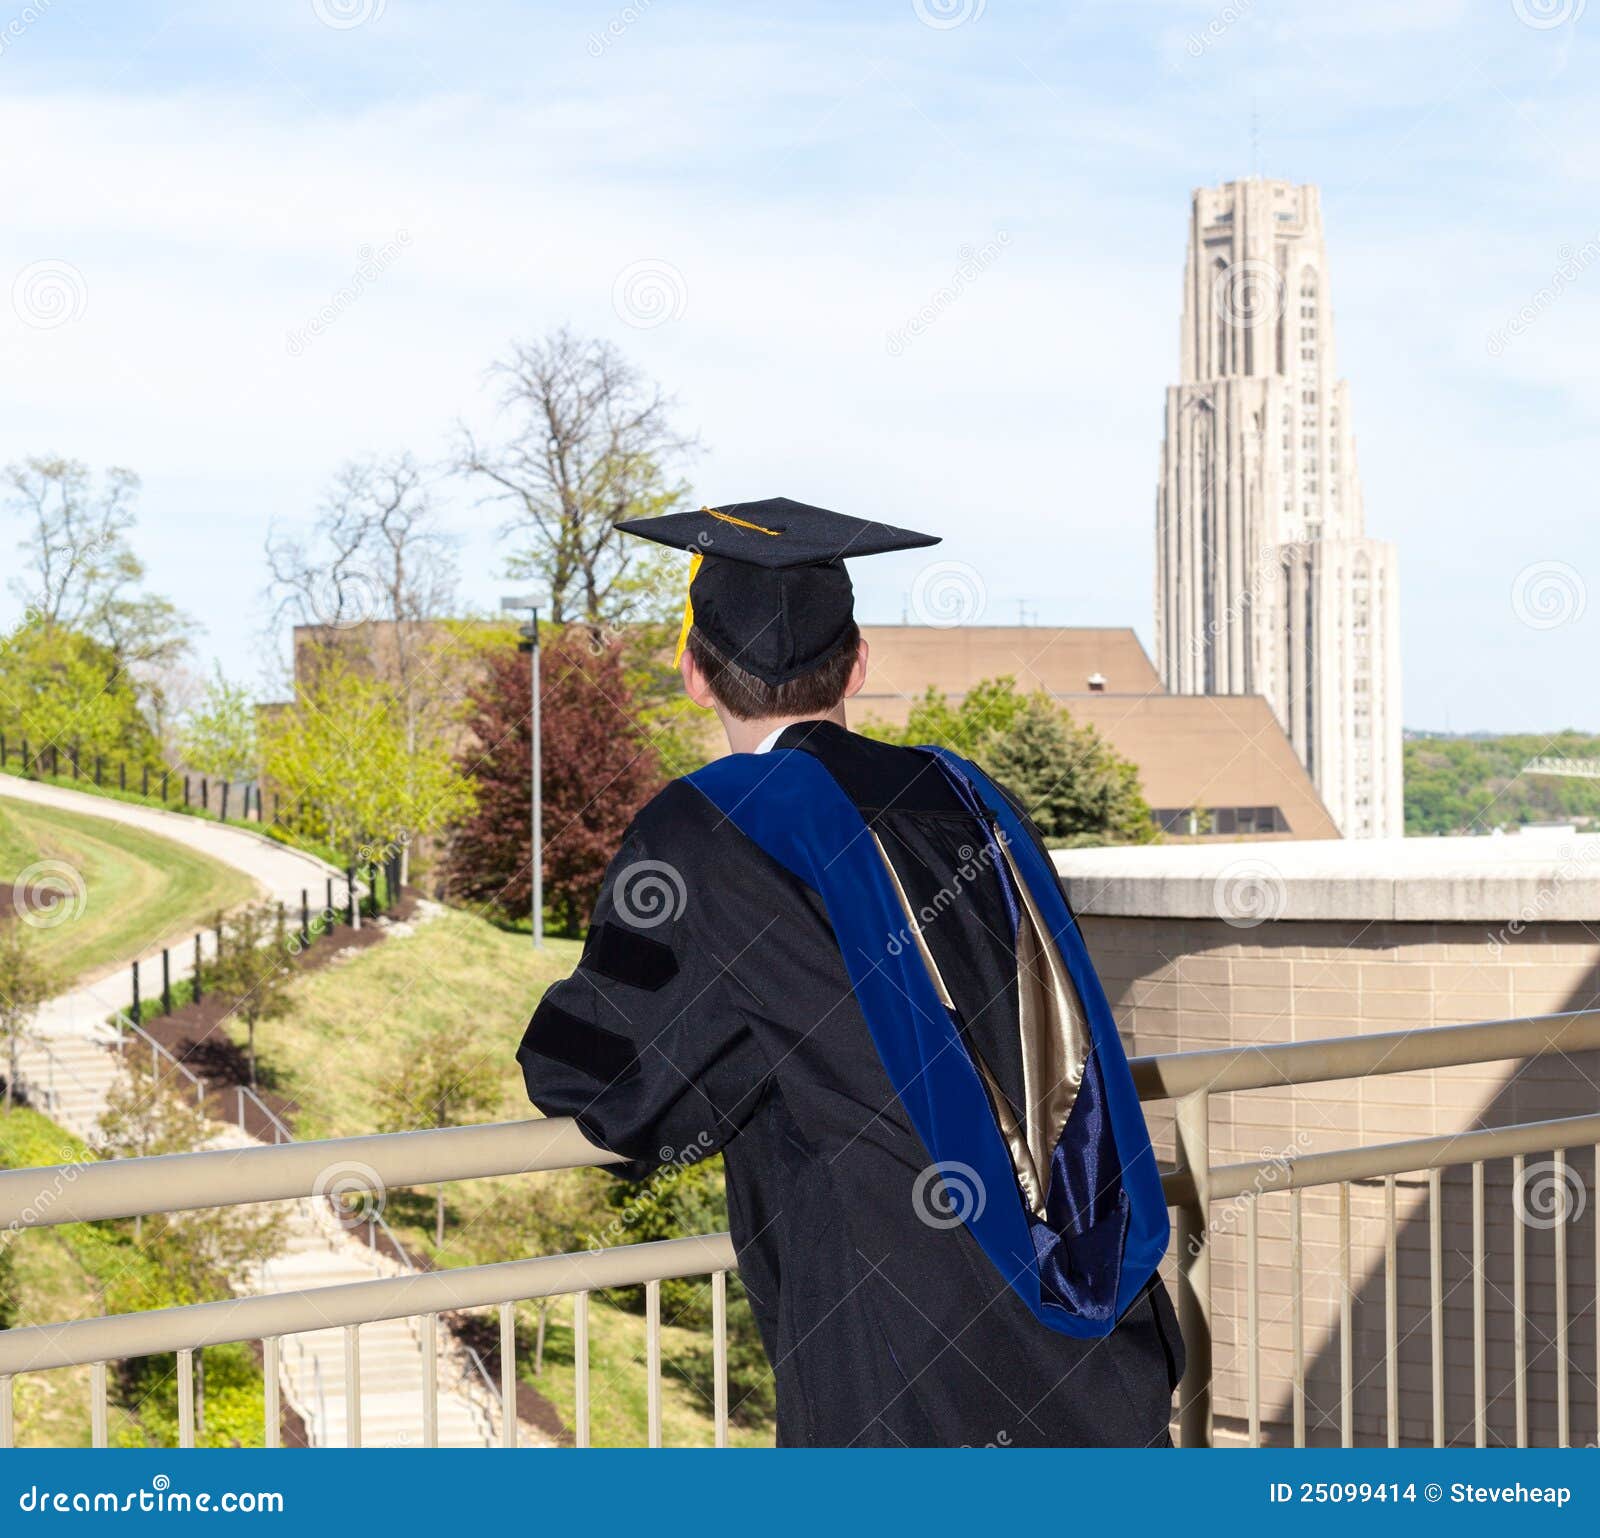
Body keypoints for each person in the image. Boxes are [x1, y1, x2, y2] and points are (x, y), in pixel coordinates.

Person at [517, 497, 1183, 1447]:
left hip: (897, 1354)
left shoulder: (706, 825)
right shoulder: (966, 794)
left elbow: (610, 1089)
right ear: (859, 663)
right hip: (1090, 1337)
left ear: (696, 674)